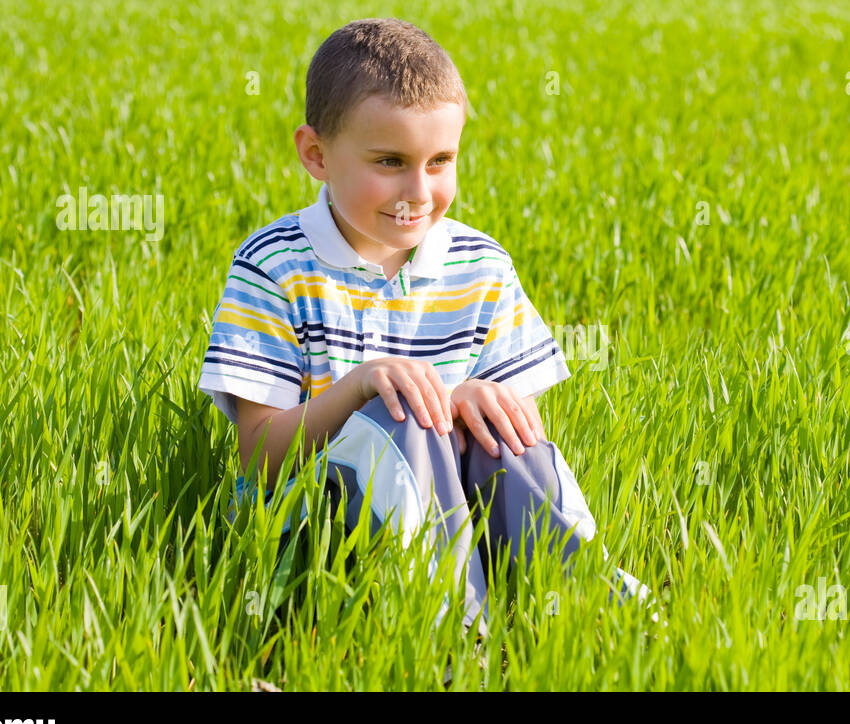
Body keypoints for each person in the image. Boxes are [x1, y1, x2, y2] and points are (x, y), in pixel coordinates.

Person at [196, 18, 658, 636]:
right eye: (390, 161)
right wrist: (361, 386)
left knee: (488, 423)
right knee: (404, 417)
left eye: (441, 161)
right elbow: (258, 458)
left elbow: (520, 443)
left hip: (457, 522)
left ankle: (586, 610)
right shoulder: (274, 265)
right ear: (316, 154)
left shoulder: (479, 264)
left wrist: (469, 403)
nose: (419, 191)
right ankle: (448, 632)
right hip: (314, 541)